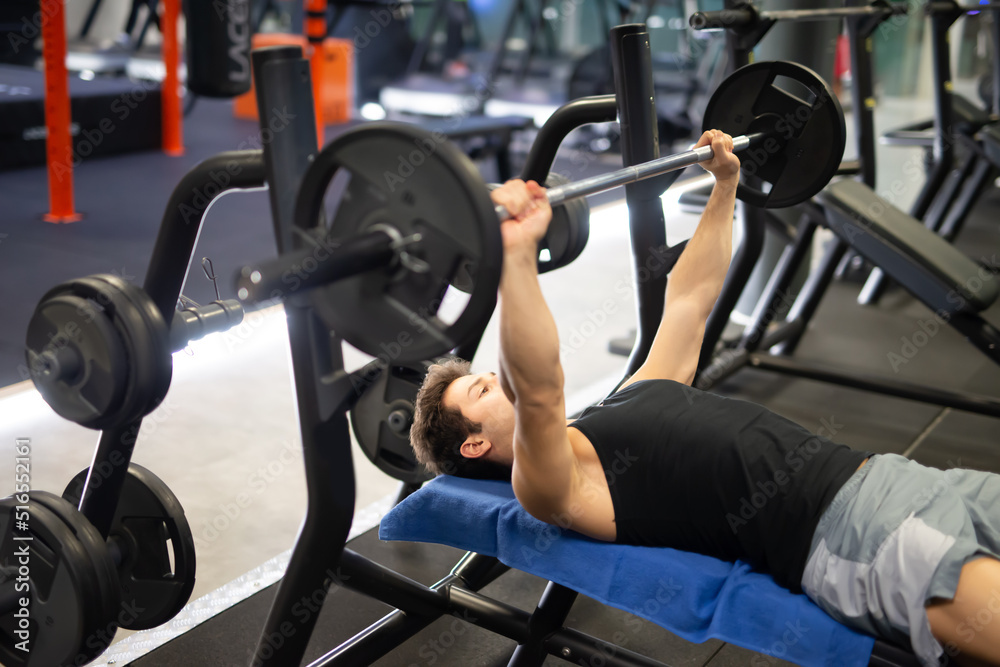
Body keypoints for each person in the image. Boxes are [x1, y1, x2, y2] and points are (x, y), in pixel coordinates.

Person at [408, 130, 1000, 667]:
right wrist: (516, 256)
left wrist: (725, 185)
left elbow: (689, 302)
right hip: (854, 536)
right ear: (475, 443)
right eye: (482, 388)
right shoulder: (546, 486)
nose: (497, 380)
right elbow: (538, 390)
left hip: (899, 479)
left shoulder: (625, 399)